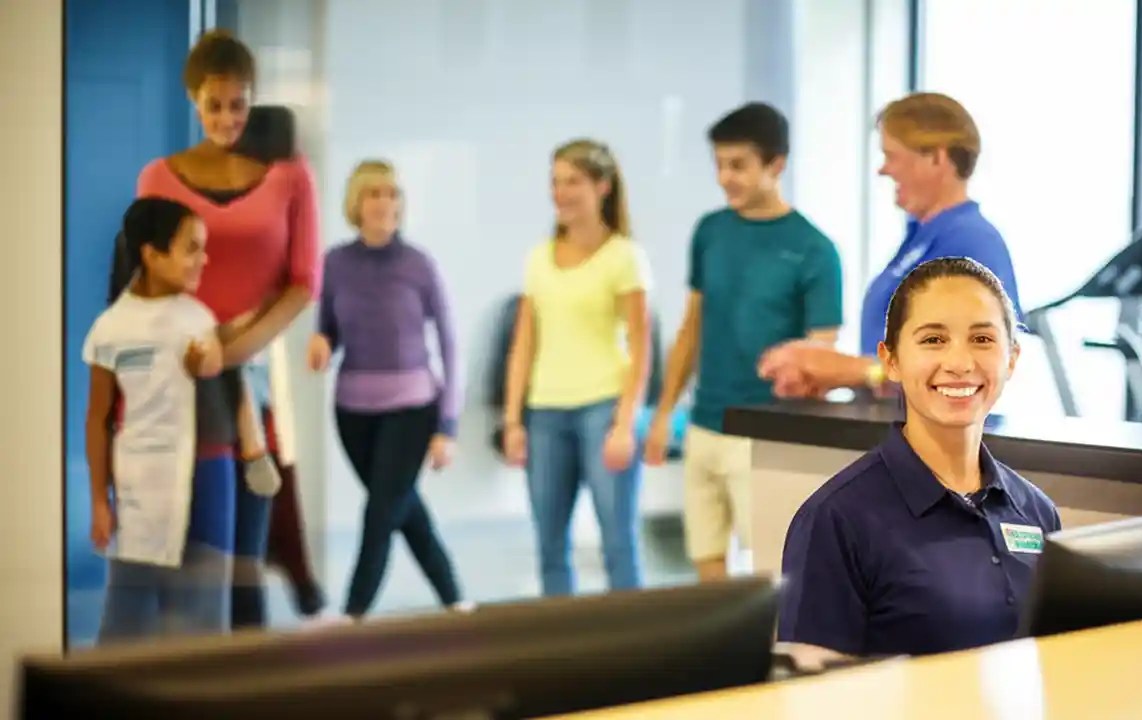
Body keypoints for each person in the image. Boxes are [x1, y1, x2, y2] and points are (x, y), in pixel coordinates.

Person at [776, 257, 1061, 658]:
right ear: (890, 360)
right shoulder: (836, 520)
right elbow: (808, 697)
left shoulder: (1036, 512)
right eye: (933, 340)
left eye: (982, 339)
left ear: (1012, 358)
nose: (960, 363)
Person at [134, 30, 321, 628]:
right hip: (179, 371)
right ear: (194, 99)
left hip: (257, 379)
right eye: (214, 104)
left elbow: (303, 282)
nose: (227, 117)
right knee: (188, 553)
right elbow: (150, 277)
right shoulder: (158, 179)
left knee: (247, 554)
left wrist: (234, 347)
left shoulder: (291, 178)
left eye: (238, 103)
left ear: (252, 99)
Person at [643, 103, 843, 582]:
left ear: (776, 165)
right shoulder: (711, 231)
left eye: (738, 166)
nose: (724, 177)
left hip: (767, 436)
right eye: (719, 164)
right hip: (703, 425)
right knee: (706, 570)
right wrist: (665, 412)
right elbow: (692, 327)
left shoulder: (815, 250)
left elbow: (822, 357)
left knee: (770, 572)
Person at [759, 92, 1021, 399]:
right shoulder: (922, 238)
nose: (884, 170)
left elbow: (969, 368)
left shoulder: (972, 241)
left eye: (892, 156)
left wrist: (852, 370)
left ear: (937, 157)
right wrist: (833, 374)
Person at [307, 159, 467, 617]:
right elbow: (328, 329)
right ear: (356, 203)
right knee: (402, 508)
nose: (385, 202)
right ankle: (457, 602)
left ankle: (352, 615)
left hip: (413, 407)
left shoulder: (419, 264)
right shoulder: (335, 263)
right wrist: (322, 342)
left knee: (380, 514)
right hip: (352, 412)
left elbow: (451, 346)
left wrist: (448, 426)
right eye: (374, 193)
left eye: (392, 193)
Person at [502, 139, 652, 597]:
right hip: (544, 413)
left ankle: (636, 649)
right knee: (549, 548)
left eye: (573, 181)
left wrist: (626, 424)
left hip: (603, 410)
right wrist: (511, 421)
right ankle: (561, 653)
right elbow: (524, 343)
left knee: (617, 545)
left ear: (601, 187)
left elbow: (642, 347)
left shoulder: (624, 256)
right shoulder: (538, 258)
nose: (561, 192)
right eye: (556, 181)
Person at [85, 198, 232, 643]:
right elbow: (98, 420)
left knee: (201, 621)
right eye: (191, 248)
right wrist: (99, 501)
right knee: (127, 623)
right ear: (152, 255)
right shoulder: (111, 329)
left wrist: (208, 363)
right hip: (139, 486)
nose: (203, 260)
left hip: (204, 481)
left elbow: (221, 383)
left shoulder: (200, 319)